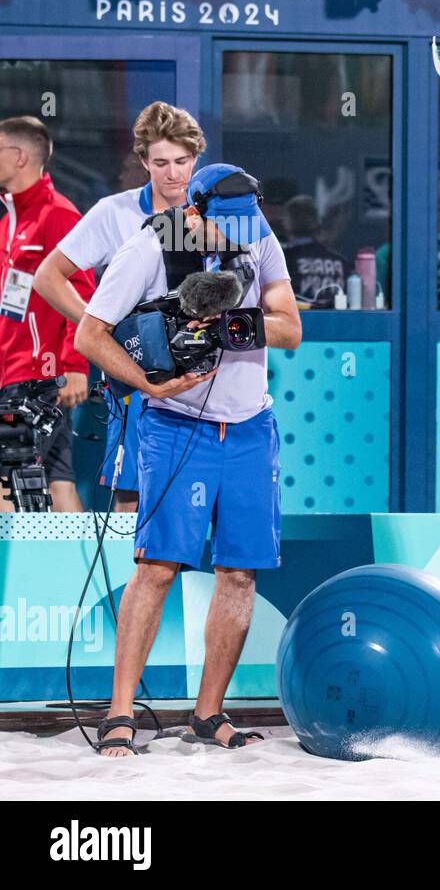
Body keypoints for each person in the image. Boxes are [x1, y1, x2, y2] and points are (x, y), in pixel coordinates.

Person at [74, 163, 301, 756]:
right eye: (228, 224)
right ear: (194, 213)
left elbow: (290, 329)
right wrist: (149, 383)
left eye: (248, 222)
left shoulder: (259, 237)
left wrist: (228, 326)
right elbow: (90, 335)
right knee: (157, 567)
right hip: (175, 426)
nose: (242, 234)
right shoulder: (149, 246)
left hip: (251, 428)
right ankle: (120, 712)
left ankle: (207, 713)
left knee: (240, 573)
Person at [34, 101, 205, 513]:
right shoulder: (115, 212)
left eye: (182, 161)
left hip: (206, 378)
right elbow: (47, 276)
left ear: (196, 157)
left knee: (199, 499)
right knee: (131, 499)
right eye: (160, 162)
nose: (173, 173)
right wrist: (102, 330)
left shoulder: (217, 213)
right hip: (137, 376)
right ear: (143, 161)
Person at [0, 116, 94, 513]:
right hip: (14, 375)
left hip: (40, 376)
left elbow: (83, 293)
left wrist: (75, 364)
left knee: (6, 481)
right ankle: (82, 560)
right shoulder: (8, 221)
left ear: (19, 156)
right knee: (59, 483)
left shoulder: (59, 215)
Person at [283, 195, 348, 308]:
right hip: (336, 319)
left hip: (297, 318)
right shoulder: (341, 262)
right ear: (317, 223)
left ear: (287, 224)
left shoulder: (282, 260)